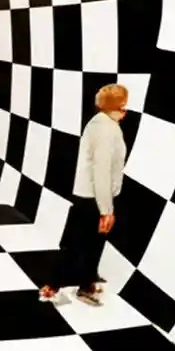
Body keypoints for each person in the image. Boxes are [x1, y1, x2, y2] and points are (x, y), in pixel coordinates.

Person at [39, 83, 129, 306]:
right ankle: (65, 285)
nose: (126, 111)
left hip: (86, 194)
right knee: (86, 242)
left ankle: (79, 280)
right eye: (123, 106)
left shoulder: (96, 122)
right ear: (115, 107)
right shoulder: (109, 130)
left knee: (82, 241)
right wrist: (106, 210)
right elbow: (102, 171)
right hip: (95, 198)